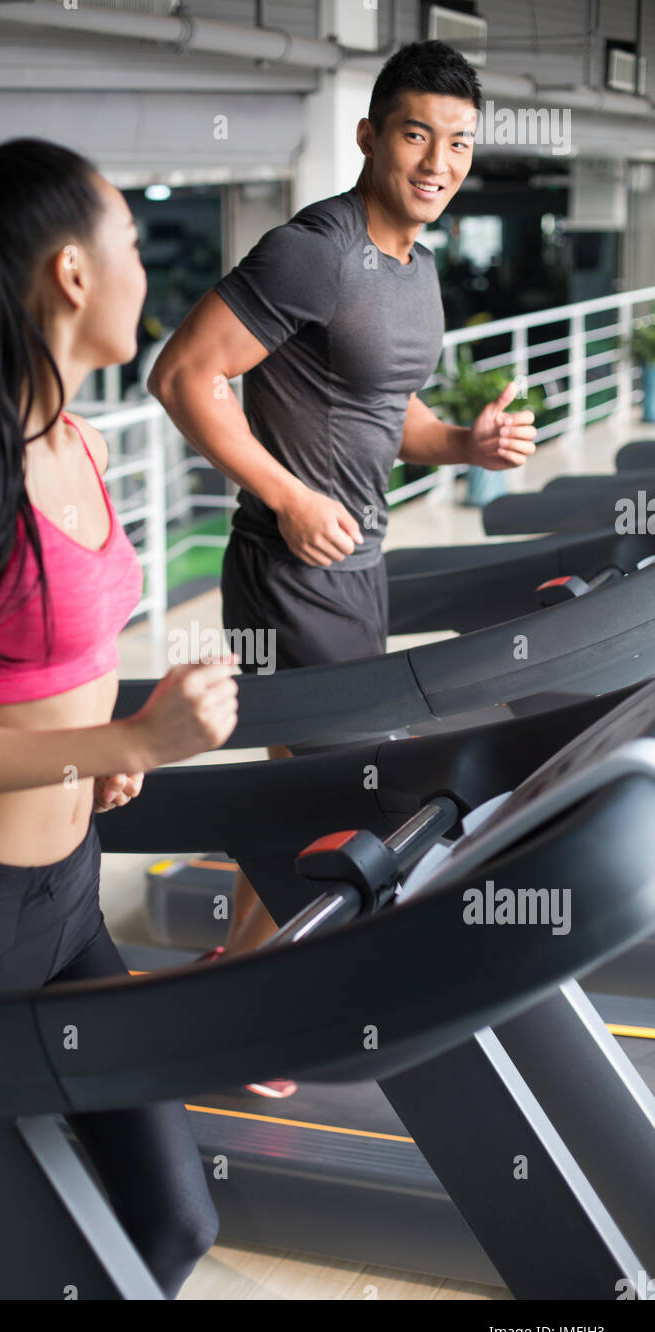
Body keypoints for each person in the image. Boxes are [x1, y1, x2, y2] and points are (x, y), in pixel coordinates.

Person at [0, 136, 239, 1301]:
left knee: (171, 1219)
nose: (143, 271)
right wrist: (127, 743)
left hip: (66, 904)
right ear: (72, 274)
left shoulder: (83, 443)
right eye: (128, 243)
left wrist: (102, 761)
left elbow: (53, 668)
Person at [149, 40, 537, 973]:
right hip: (290, 572)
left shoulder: (417, 270)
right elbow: (184, 374)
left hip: (358, 568)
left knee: (308, 788)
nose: (437, 163)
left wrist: (464, 444)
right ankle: (254, 988)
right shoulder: (312, 253)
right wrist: (285, 494)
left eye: (459, 142)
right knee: (348, 793)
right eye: (415, 135)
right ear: (369, 136)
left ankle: (227, 978)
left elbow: (384, 407)